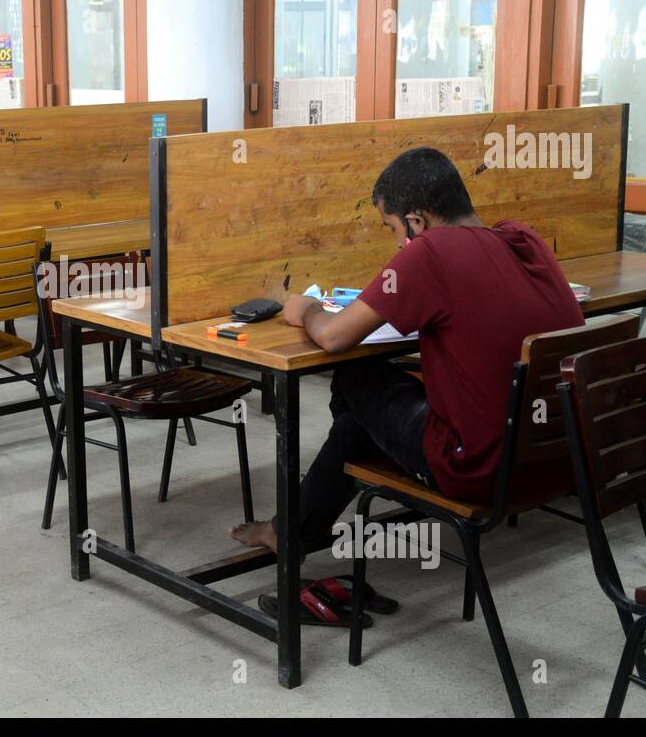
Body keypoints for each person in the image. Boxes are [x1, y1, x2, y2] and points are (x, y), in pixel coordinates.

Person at [229, 147, 584, 612]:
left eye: (393, 230)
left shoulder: (430, 252)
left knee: (356, 375)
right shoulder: (523, 239)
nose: (398, 245)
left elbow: (335, 337)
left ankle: (305, 523)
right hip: (558, 461)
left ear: (416, 221)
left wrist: (306, 309)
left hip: (479, 472)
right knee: (361, 420)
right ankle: (292, 530)